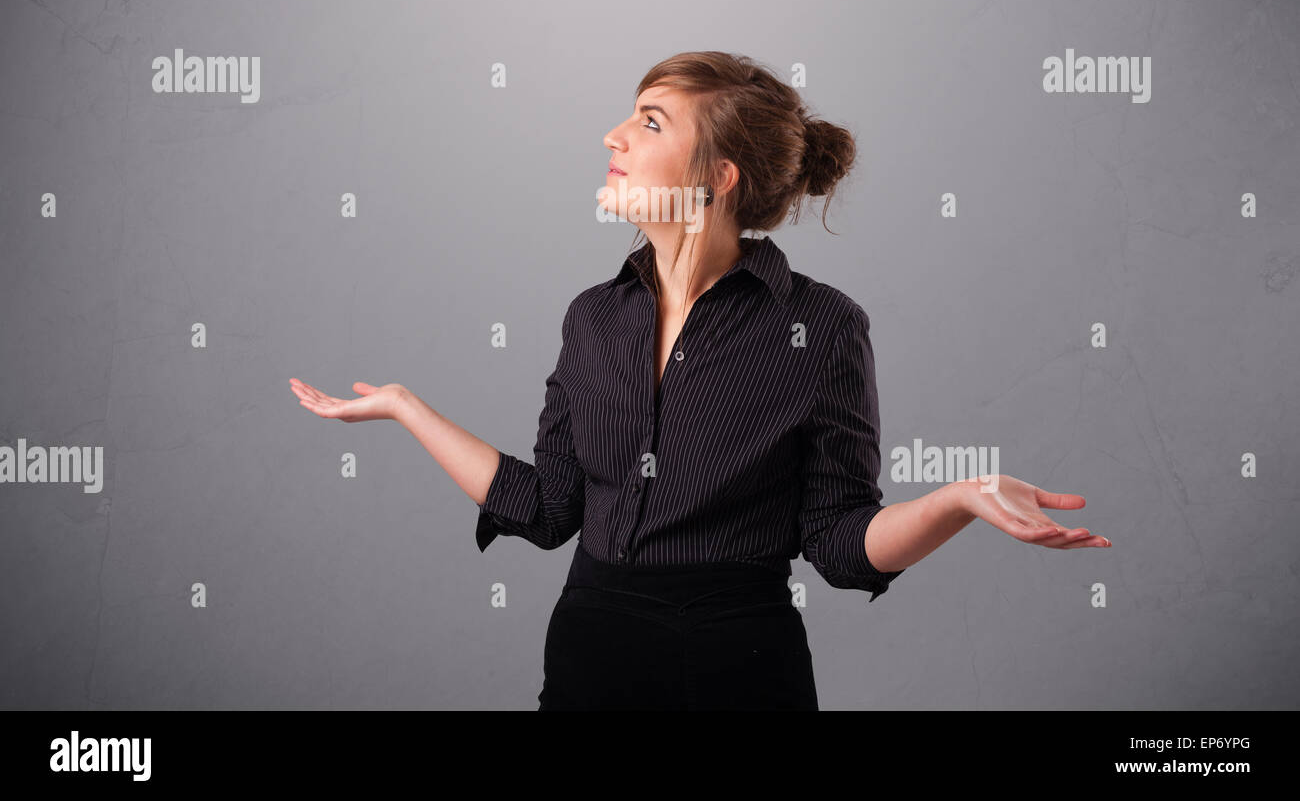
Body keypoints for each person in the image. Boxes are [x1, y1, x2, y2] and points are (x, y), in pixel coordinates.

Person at [289, 50, 1111, 710]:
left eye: (648, 122)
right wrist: (405, 408)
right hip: (589, 656)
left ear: (717, 177)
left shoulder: (822, 327)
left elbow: (838, 544)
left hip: (739, 665)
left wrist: (955, 501)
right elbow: (547, 510)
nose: (613, 136)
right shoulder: (592, 318)